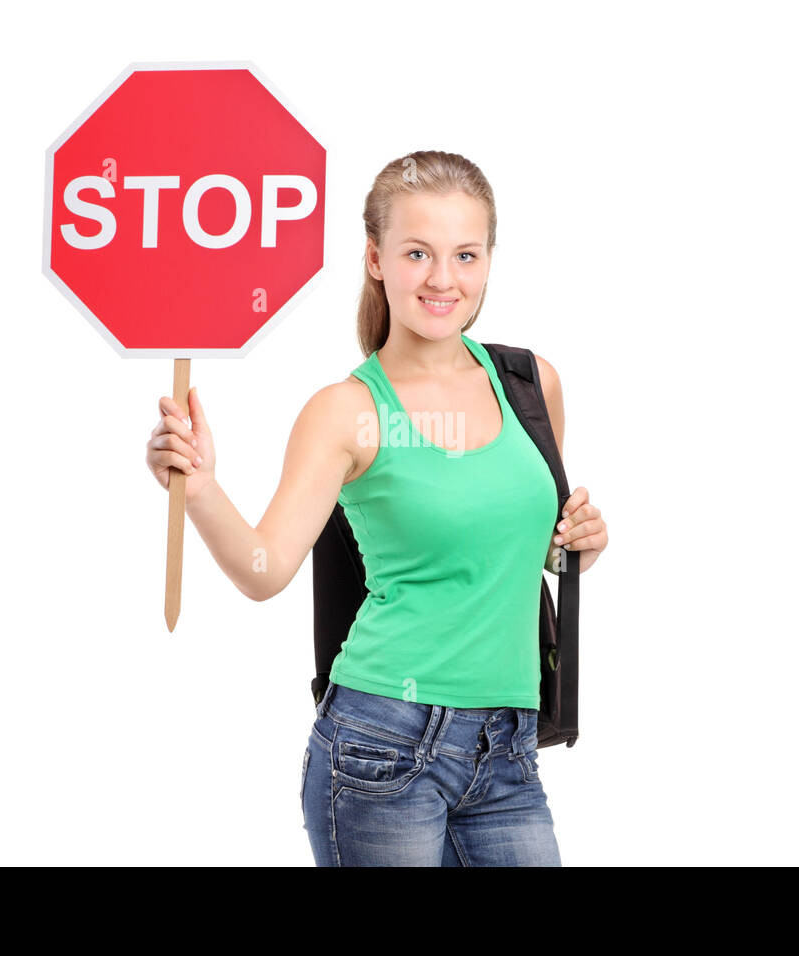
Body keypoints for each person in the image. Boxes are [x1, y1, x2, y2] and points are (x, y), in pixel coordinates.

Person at [144, 150, 609, 865]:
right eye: (417, 252)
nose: (443, 278)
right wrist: (202, 488)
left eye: (465, 254)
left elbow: (517, 542)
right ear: (375, 258)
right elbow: (265, 570)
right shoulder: (347, 412)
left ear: (488, 261)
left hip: (509, 750)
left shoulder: (530, 384)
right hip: (382, 747)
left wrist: (571, 545)